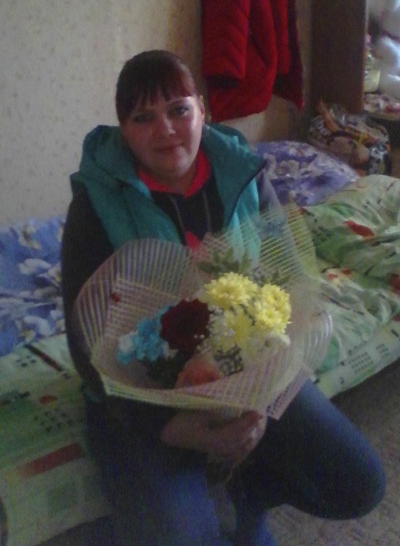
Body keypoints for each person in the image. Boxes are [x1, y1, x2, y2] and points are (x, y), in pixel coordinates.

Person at [61, 50, 385, 546]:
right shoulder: (95, 203)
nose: (165, 129)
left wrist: (264, 396)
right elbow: (85, 343)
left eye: (178, 109)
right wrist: (174, 428)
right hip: (140, 393)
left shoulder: (244, 174)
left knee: (360, 484)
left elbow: (285, 283)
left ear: (203, 109)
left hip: (247, 371)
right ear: (123, 130)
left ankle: (250, 493)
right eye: (143, 117)